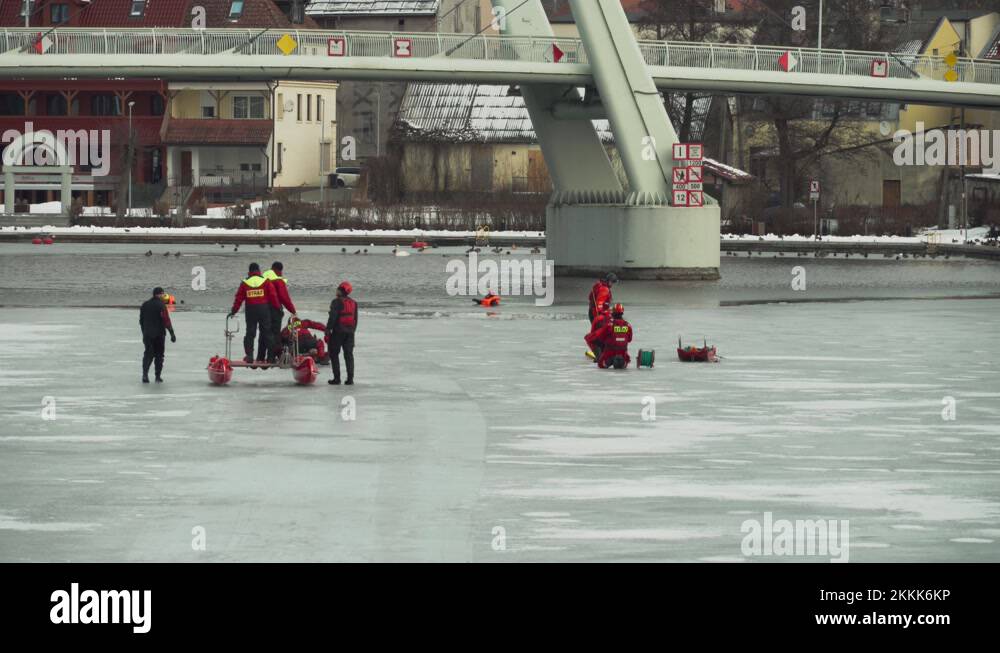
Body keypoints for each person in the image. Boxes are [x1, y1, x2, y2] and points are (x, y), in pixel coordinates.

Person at [229, 262, 279, 364]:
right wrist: (277, 308)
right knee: (267, 333)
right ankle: (270, 358)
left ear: (249, 272)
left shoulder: (245, 283)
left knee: (250, 333)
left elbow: (238, 299)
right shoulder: (266, 281)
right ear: (259, 271)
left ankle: (250, 356)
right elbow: (273, 296)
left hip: (250, 310)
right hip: (264, 310)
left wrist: (234, 311)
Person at [258, 261, 297, 361]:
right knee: (275, 333)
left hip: (262, 309)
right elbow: (284, 297)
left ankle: (260, 357)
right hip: (274, 309)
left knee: (263, 332)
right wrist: (292, 310)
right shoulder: (278, 280)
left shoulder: (262, 278)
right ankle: (271, 357)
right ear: (279, 270)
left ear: (272, 268)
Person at [139, 287, 176, 383]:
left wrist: (144, 333)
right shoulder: (161, 305)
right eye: (162, 294)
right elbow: (166, 320)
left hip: (147, 334)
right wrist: (172, 333)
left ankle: (145, 375)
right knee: (159, 355)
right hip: (159, 334)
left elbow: (141, 321)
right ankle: (157, 376)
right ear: (158, 294)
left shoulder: (145, 305)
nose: (163, 296)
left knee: (148, 354)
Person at [326, 281, 358, 385]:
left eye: (338, 288)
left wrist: (328, 329)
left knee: (334, 354)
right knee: (349, 355)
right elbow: (355, 319)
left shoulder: (336, 302)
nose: (336, 290)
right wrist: (352, 331)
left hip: (338, 332)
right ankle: (350, 379)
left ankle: (337, 379)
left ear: (341, 290)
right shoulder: (354, 303)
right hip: (350, 333)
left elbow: (332, 318)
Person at [594, 303, 633, 369]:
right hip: (623, 353)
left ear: (613, 313)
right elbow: (629, 339)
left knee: (601, 365)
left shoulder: (609, 325)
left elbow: (600, 337)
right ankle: (620, 361)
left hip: (609, 352)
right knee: (624, 364)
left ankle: (611, 359)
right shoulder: (628, 325)